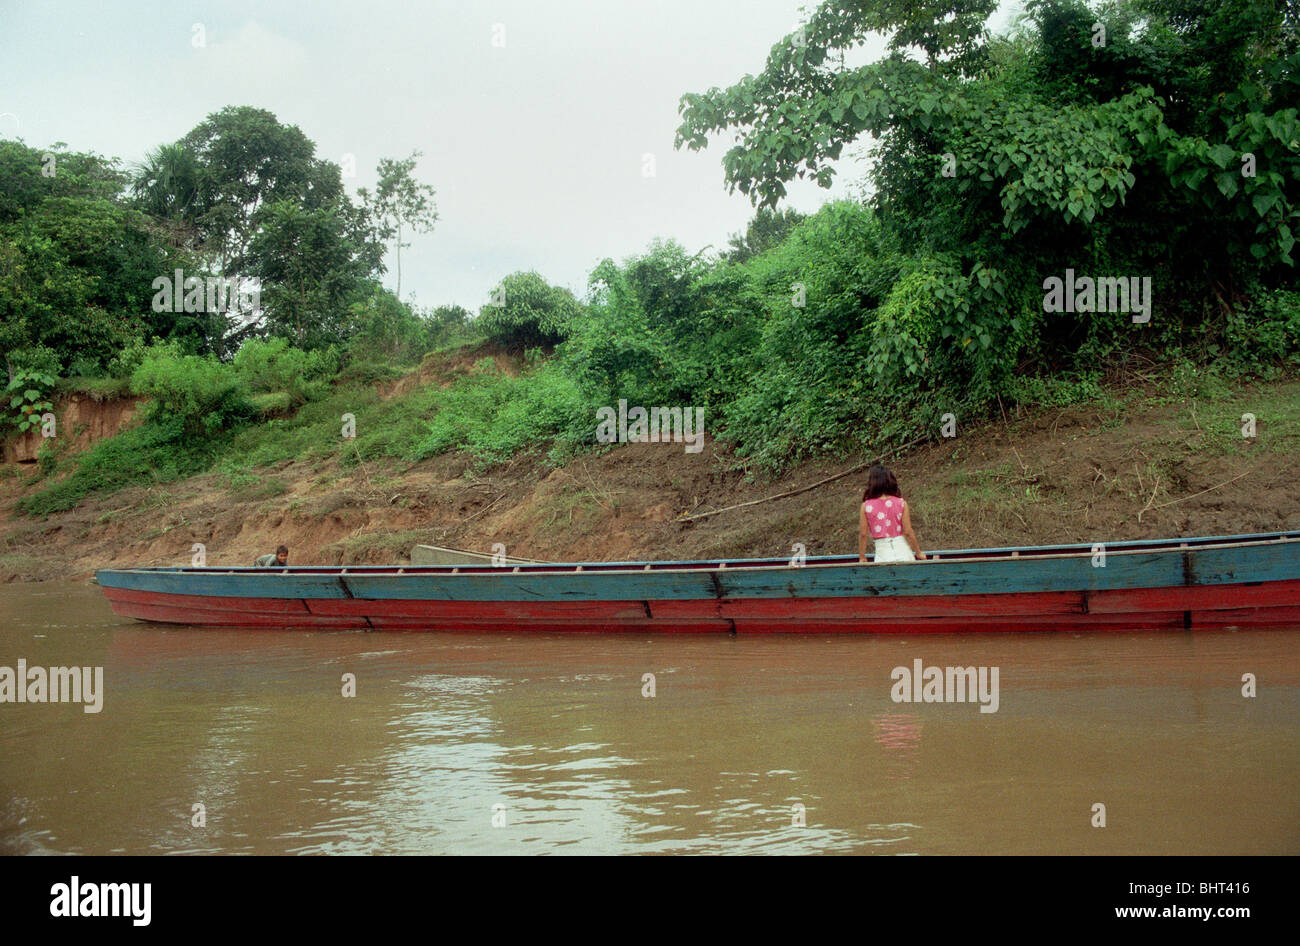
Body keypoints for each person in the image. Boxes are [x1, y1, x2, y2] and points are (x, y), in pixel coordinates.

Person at [858, 466, 926, 564]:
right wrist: (918, 552)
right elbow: (908, 532)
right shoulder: (901, 503)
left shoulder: (866, 506)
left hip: (883, 554)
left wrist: (862, 556)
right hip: (903, 551)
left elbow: (863, 534)